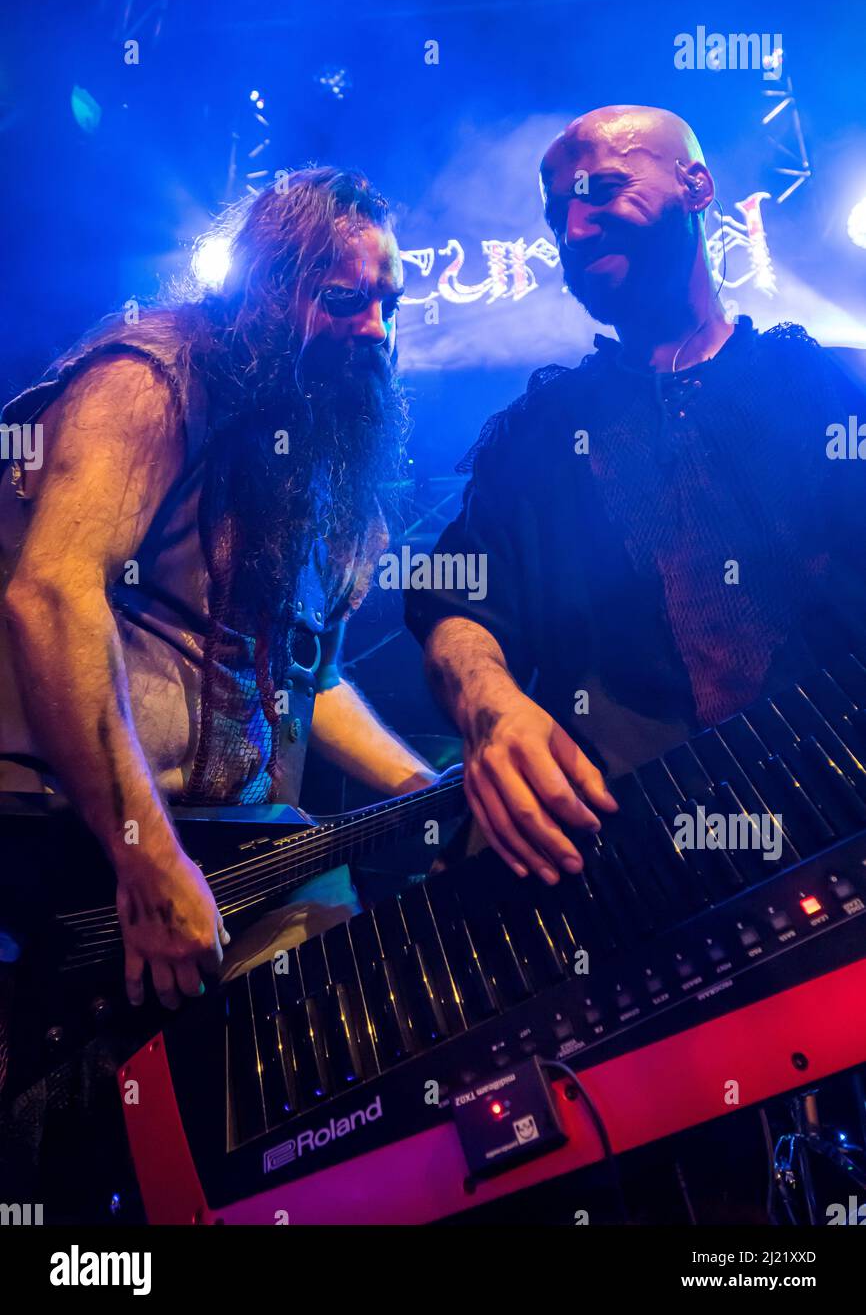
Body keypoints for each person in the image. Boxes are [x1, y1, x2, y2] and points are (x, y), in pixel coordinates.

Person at [0, 167, 436, 1029]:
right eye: (346, 301)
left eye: (390, 303)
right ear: (269, 292)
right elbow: (49, 595)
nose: (377, 329)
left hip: (240, 851)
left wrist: (425, 790)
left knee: (330, 1059)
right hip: (65, 844)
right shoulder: (148, 385)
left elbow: (308, 681)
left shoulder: (335, 472)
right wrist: (147, 856)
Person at [407, 105, 866, 885]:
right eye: (558, 214)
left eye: (603, 192)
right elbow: (456, 599)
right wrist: (491, 702)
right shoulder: (540, 435)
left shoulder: (837, 386)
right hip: (622, 866)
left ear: (697, 185)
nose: (575, 230)